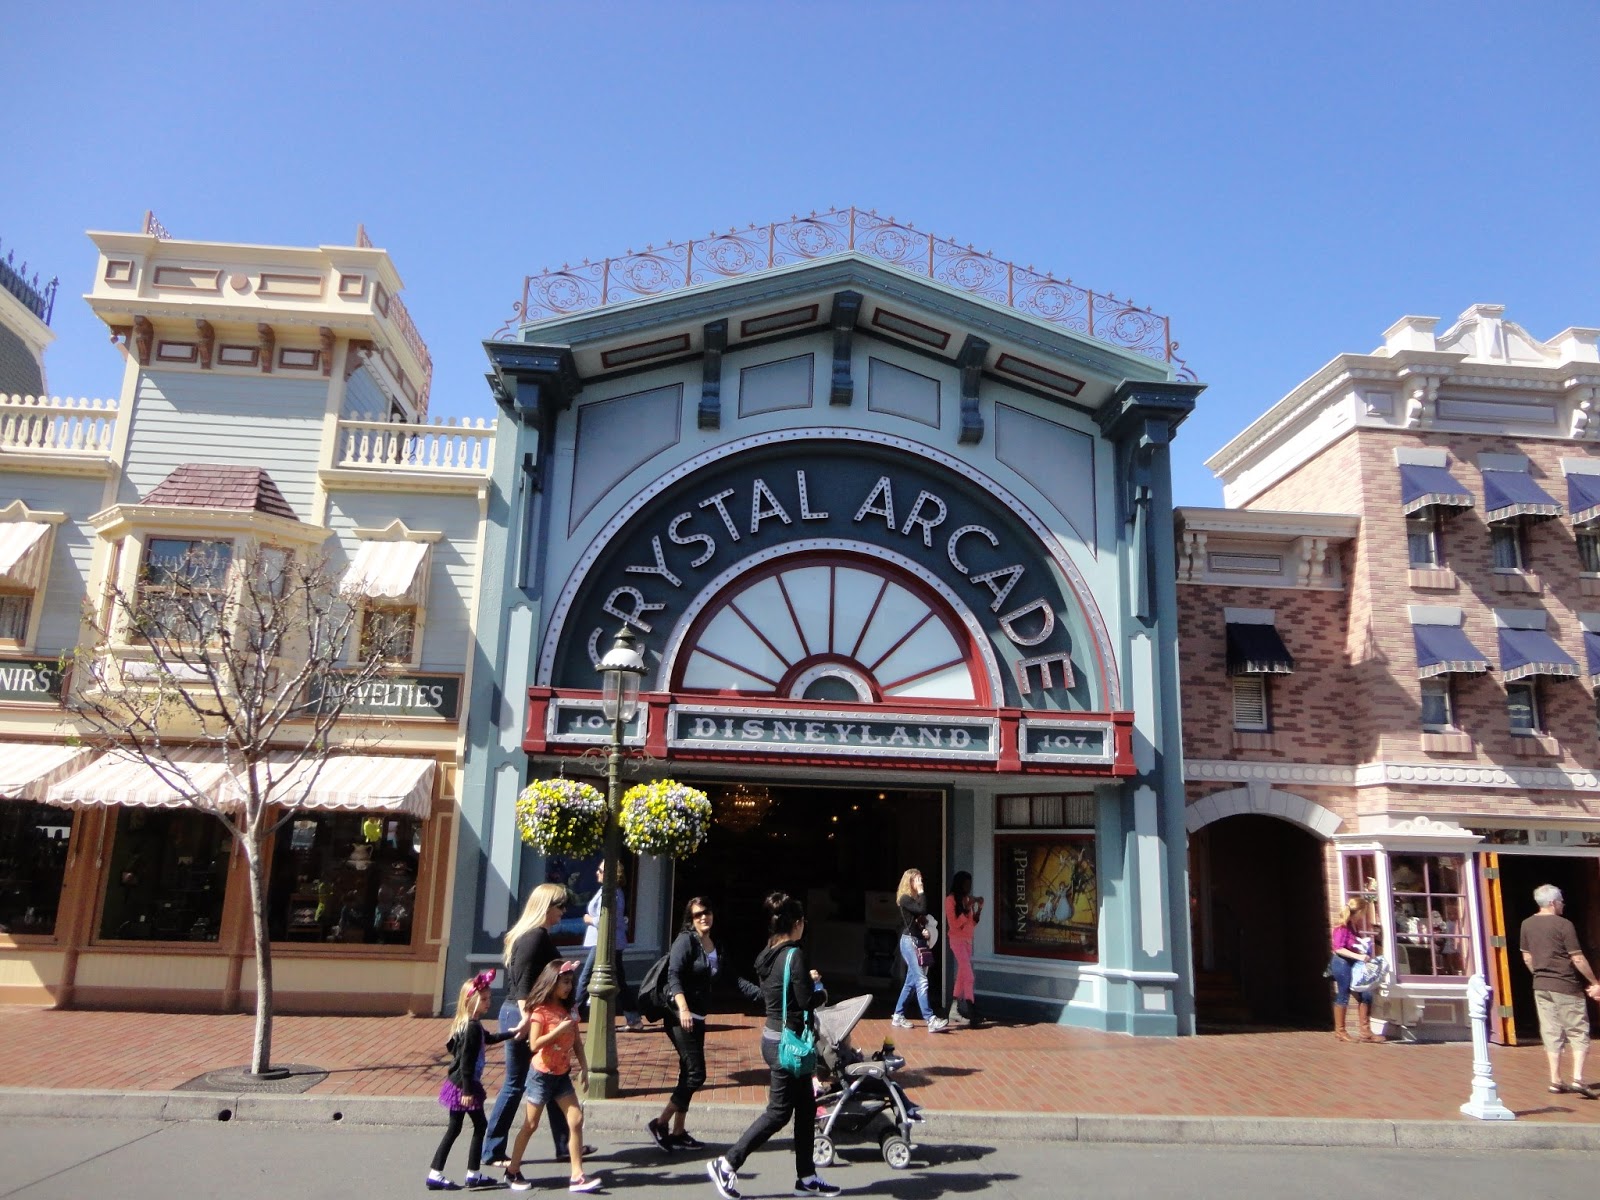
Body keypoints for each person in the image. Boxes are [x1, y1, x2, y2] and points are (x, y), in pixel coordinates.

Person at [706, 892, 840, 1200]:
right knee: (779, 1112)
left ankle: (806, 1177)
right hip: (787, 1045)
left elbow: (776, 993)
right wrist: (819, 987)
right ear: (796, 924)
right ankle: (727, 1164)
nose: (804, 926)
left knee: (806, 1109)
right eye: (803, 922)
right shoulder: (795, 954)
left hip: (773, 1037)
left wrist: (803, 981)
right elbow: (806, 1001)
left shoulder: (769, 952)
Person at [648, 896, 760, 1153]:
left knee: (688, 1073)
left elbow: (734, 979)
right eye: (698, 915)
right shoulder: (685, 941)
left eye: (707, 913)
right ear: (691, 918)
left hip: (698, 1017)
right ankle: (660, 1123)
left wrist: (764, 995)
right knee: (697, 1074)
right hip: (680, 1017)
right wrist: (683, 1008)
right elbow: (673, 975)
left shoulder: (715, 946)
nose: (703, 918)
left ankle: (678, 1132)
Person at [484, 883, 584, 1168]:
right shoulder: (534, 937)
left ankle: (565, 1144)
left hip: (530, 1014)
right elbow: (523, 982)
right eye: (560, 906)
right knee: (516, 1083)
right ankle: (492, 1150)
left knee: (553, 1072)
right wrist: (528, 1018)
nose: (563, 912)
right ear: (546, 906)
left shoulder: (536, 936)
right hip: (524, 1017)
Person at [505, 959, 602, 1192]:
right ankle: (512, 1170)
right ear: (552, 983)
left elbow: (577, 1042)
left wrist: (585, 1069)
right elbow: (534, 1044)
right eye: (564, 982)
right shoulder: (541, 1011)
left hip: (561, 1075)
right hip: (541, 1075)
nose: (568, 987)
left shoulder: (568, 1010)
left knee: (576, 1120)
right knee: (530, 1124)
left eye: (570, 982)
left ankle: (577, 1176)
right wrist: (558, 1030)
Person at [427, 970, 527, 1191]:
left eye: (489, 998)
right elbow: (466, 1061)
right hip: (464, 1085)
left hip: (460, 1084)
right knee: (477, 1126)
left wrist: (511, 1033)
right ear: (470, 1001)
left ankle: (450, 1173)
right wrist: (467, 1090)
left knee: (458, 1128)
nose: (487, 1003)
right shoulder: (472, 1027)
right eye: (483, 999)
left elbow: (485, 1039)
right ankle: (463, 1174)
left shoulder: (468, 1024)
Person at [1519, 883, 1600, 1098]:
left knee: (1551, 1031)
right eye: (1561, 901)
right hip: (1565, 985)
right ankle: (1578, 1079)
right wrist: (1594, 981)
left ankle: (1555, 1079)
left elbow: (1527, 956)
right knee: (1577, 1031)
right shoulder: (1564, 925)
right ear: (1553, 903)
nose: (1563, 904)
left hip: (1541, 986)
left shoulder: (1526, 924)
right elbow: (1577, 957)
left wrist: (1539, 973)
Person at [574, 861, 642, 1032]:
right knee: (619, 980)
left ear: (611, 873)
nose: (597, 872)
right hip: (605, 941)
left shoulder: (614, 893)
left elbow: (610, 919)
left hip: (605, 942)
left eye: (600, 870)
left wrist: (589, 919)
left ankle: (573, 1015)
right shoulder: (607, 890)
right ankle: (633, 1018)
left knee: (586, 977)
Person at [890, 868, 948, 1033]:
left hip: (915, 939)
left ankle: (898, 1015)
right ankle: (930, 1019)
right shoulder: (905, 898)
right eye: (917, 880)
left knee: (911, 981)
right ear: (910, 882)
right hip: (909, 942)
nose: (920, 882)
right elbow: (922, 909)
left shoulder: (912, 900)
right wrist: (922, 892)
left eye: (921, 879)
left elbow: (918, 916)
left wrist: (923, 929)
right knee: (922, 980)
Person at [1329, 898, 1384, 1043]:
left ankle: (1365, 1032)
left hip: (1354, 963)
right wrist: (1359, 955)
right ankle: (1340, 1031)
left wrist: (1362, 946)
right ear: (1359, 911)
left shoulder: (1354, 926)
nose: (1364, 915)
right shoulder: (1342, 927)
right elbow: (1338, 948)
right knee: (1343, 994)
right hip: (1342, 964)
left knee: (1366, 994)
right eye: (1364, 912)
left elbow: (1352, 944)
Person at [945, 871, 984, 1026]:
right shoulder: (950, 900)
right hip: (957, 941)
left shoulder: (966, 899)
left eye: (970, 884)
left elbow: (972, 923)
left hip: (968, 941)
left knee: (962, 976)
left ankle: (953, 1010)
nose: (969, 887)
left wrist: (979, 908)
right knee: (969, 976)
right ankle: (972, 1011)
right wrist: (967, 908)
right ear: (960, 884)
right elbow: (954, 924)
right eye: (966, 884)